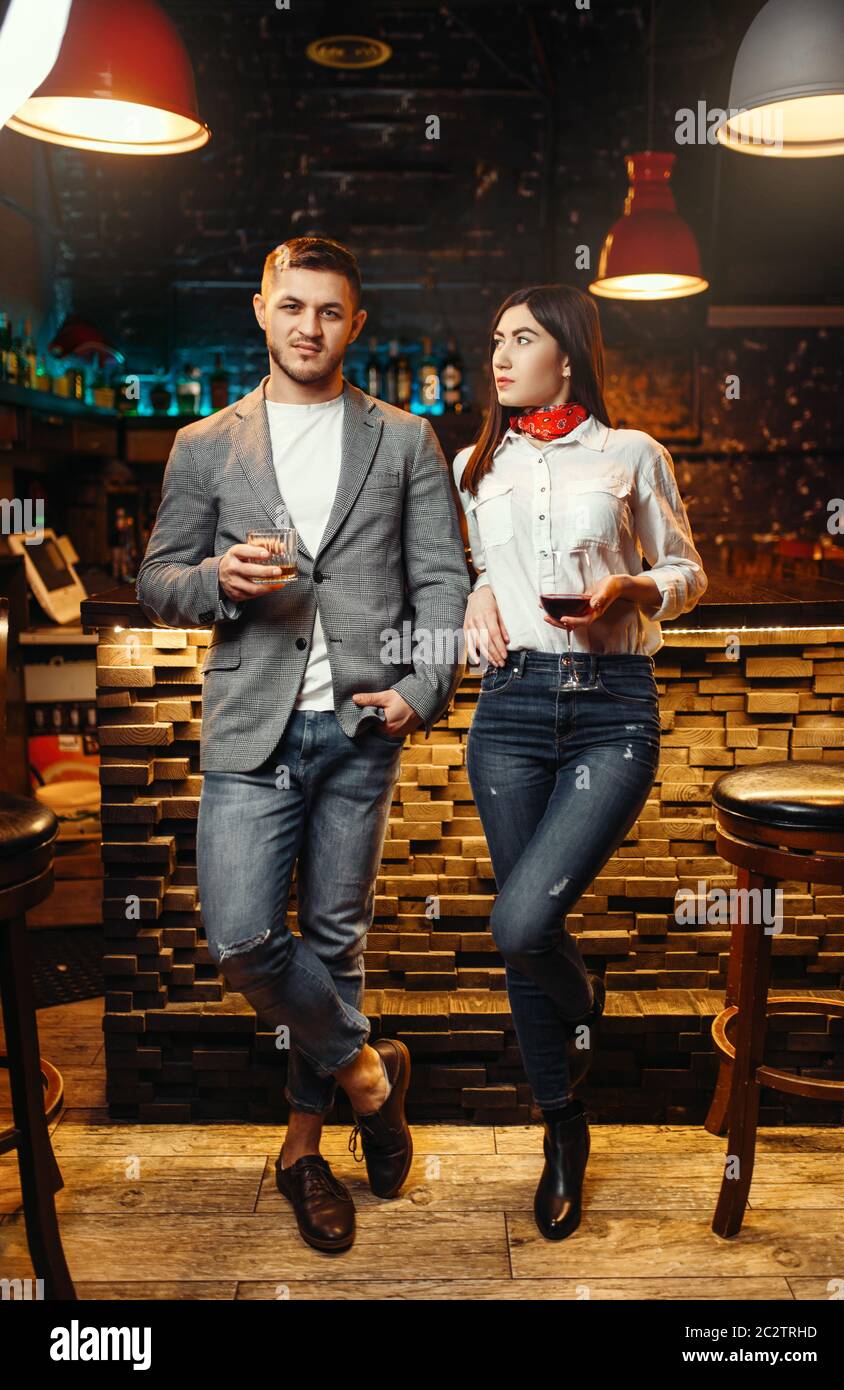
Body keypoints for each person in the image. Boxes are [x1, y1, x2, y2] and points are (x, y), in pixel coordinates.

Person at [136, 236, 469, 1254]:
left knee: (335, 943)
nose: (309, 326)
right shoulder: (204, 445)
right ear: (261, 310)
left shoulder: (405, 438)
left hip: (362, 730)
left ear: (354, 324)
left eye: (329, 311)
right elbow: (156, 579)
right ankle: (371, 1074)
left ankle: (300, 1153)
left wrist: (423, 685)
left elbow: (443, 582)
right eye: (293, 306)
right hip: (252, 724)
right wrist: (212, 581)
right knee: (240, 934)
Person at [453, 283, 708, 1241]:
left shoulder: (631, 454)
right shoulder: (473, 466)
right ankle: (563, 1128)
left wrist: (635, 587)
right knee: (525, 937)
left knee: (522, 923)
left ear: (568, 352)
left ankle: (582, 993)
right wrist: (476, 597)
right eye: (495, 338)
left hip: (611, 710)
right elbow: (478, 569)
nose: (501, 355)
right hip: (510, 709)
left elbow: (687, 573)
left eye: (521, 337)